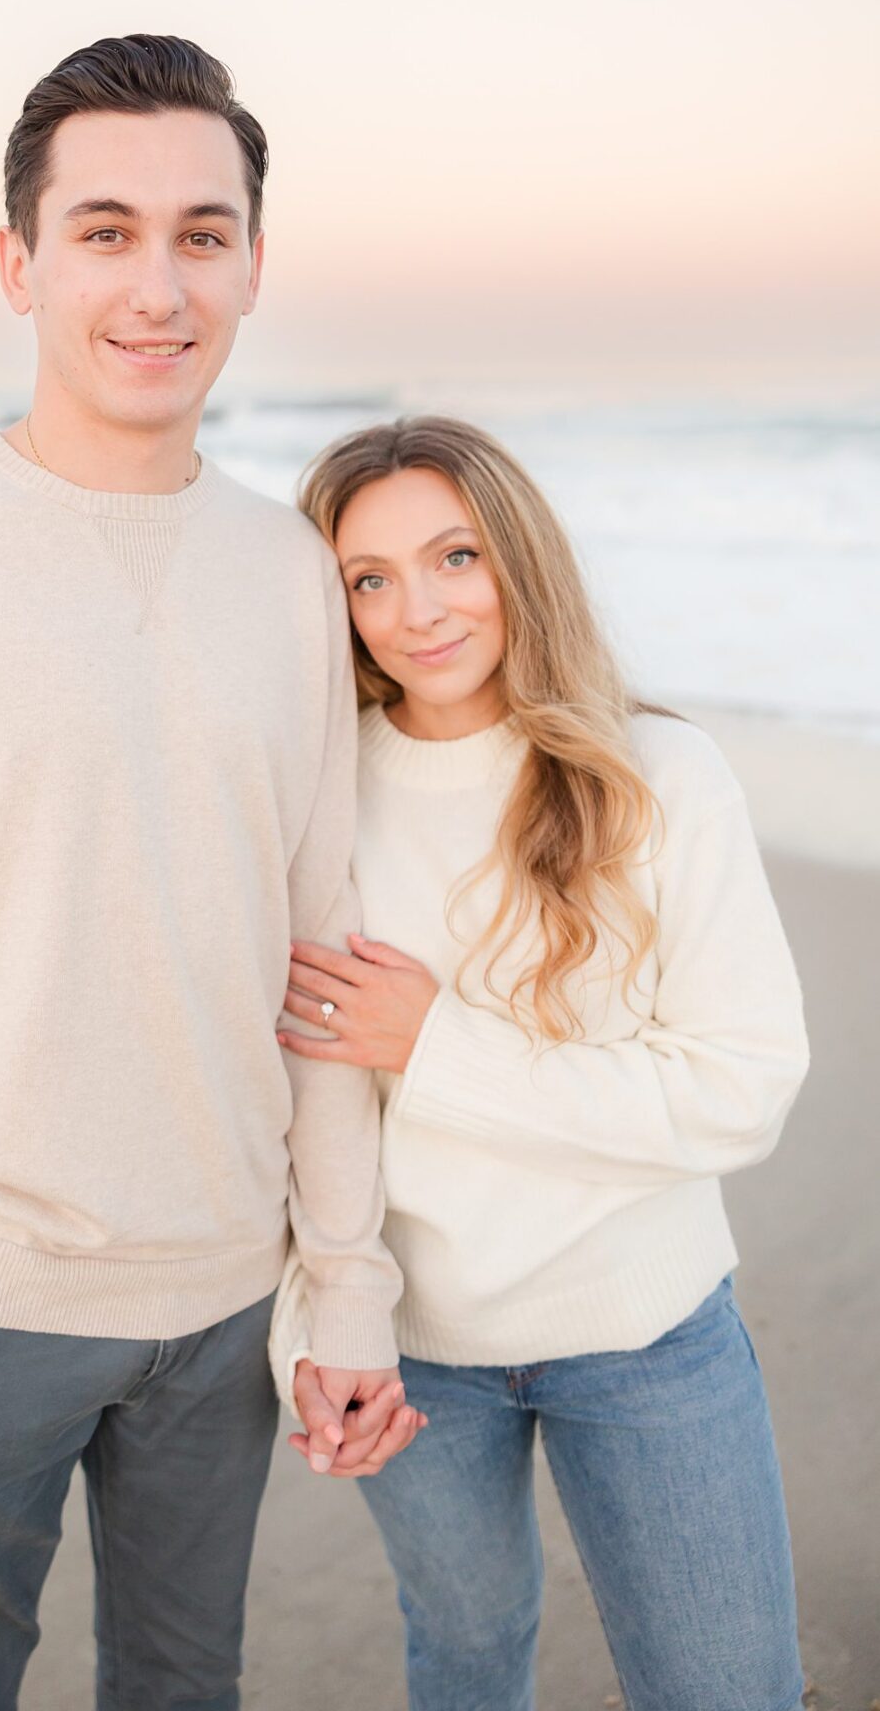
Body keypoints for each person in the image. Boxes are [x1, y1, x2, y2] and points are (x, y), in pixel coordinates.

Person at [0, 34, 415, 1711]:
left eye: (201, 232)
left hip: (222, 1307)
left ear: (254, 264)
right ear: (18, 262)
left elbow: (320, 958)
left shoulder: (286, 571)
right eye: (104, 229)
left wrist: (343, 1286)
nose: (155, 282)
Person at [271, 416, 809, 1711]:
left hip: (646, 1335)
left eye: (455, 556)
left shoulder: (657, 776)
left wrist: (438, 1046)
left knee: (721, 1689)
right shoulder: (317, 797)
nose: (418, 611)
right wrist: (312, 1326)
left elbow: (743, 1085)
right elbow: (299, 1097)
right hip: (415, 1353)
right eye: (369, 578)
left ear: (518, 558)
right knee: (461, 1662)